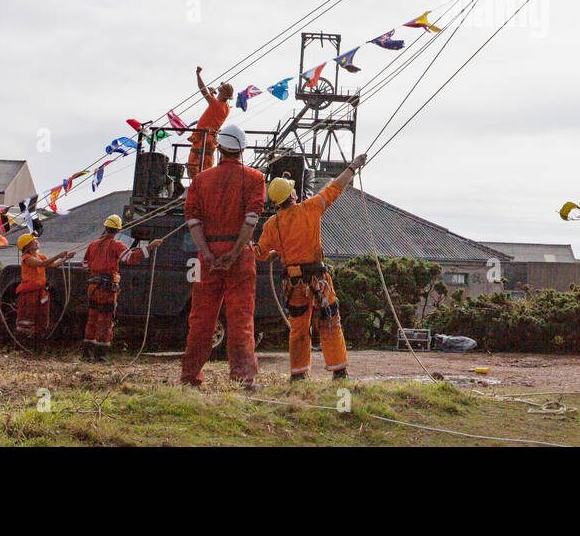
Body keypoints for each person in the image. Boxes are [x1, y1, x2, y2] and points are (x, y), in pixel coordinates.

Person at [256, 154, 366, 382]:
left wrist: (278, 253)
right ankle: (339, 371)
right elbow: (335, 188)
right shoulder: (310, 208)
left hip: (293, 283)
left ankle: (298, 374)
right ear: (292, 195)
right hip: (317, 277)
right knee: (329, 321)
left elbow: (261, 254)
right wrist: (353, 166)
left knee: (298, 328)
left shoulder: (271, 225)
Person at [180, 122, 263, 388]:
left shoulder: (200, 180)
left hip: (207, 254)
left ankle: (190, 377)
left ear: (219, 148)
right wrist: (235, 252)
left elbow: (193, 220)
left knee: (201, 318)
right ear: (241, 150)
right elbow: (251, 219)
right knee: (240, 317)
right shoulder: (254, 178)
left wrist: (208, 254)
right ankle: (242, 377)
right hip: (240, 256)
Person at [81, 215, 162, 361]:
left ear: (105, 227)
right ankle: (100, 356)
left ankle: (87, 354)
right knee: (105, 321)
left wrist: (96, 269)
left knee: (92, 319)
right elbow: (131, 258)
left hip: (93, 287)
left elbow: (85, 264)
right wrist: (150, 247)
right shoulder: (117, 245)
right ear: (118, 229)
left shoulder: (93, 244)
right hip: (107, 289)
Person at [15, 234, 74, 351]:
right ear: (27, 246)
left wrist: (65, 258)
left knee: (42, 316)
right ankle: (22, 344)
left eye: (36, 241)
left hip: (41, 292)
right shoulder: (27, 258)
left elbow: (53, 265)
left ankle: (38, 346)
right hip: (29, 293)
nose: (36, 242)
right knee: (27, 316)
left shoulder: (41, 257)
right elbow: (43, 264)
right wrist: (58, 255)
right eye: (33, 241)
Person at [187, 67, 233, 179]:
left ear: (221, 95)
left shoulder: (215, 104)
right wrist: (213, 94)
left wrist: (198, 74)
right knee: (207, 167)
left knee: (194, 166)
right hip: (211, 140)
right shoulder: (226, 108)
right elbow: (216, 108)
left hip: (202, 138)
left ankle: (197, 186)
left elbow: (202, 89)